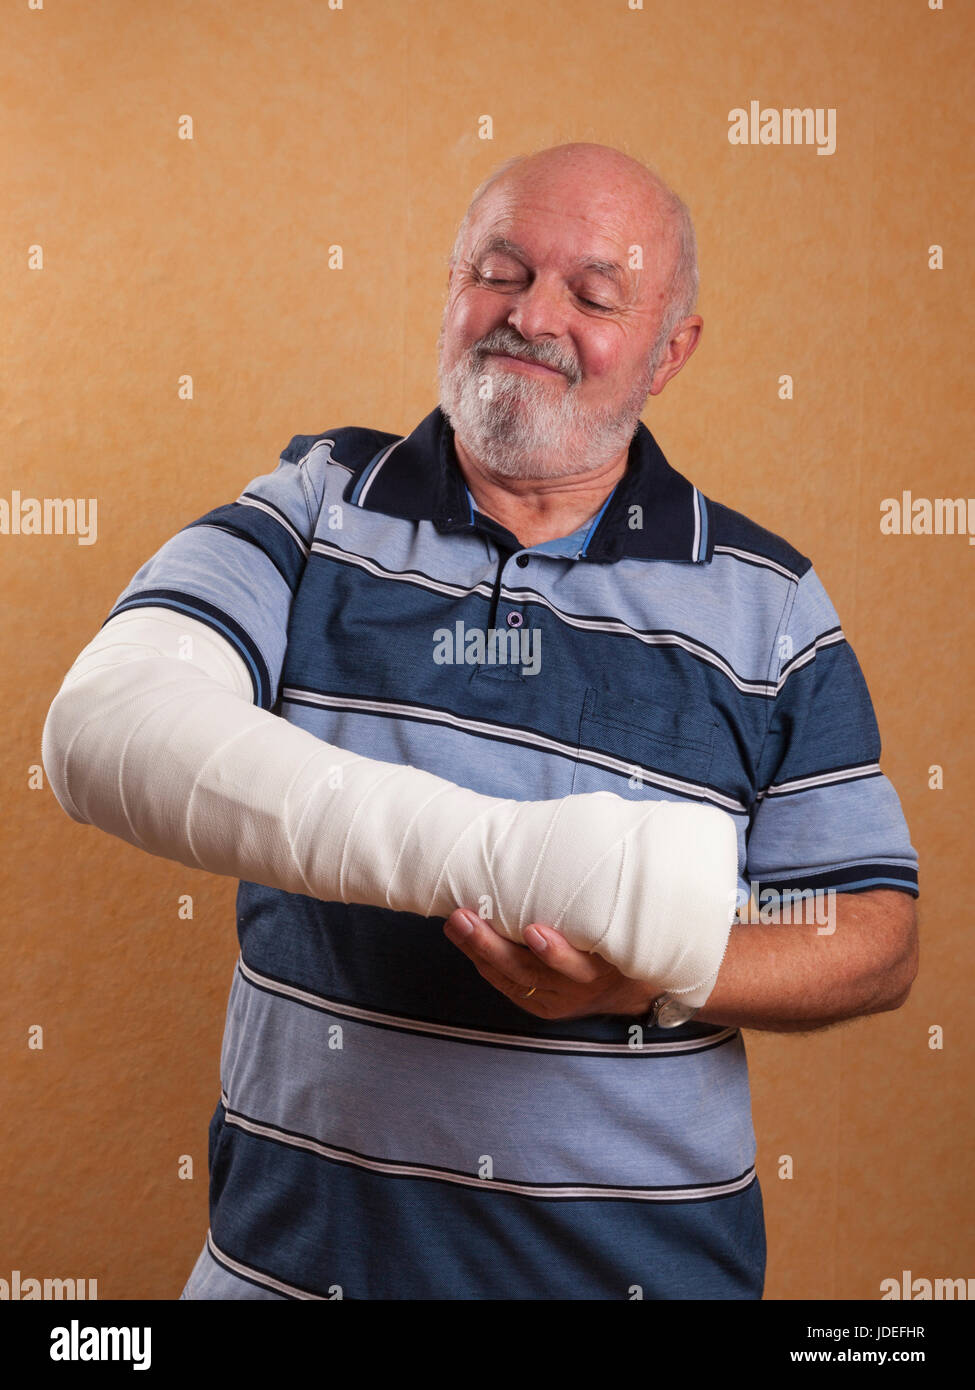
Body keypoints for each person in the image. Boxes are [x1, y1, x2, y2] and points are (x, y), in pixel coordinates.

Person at [41, 142, 919, 1301]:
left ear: (672, 347)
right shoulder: (314, 507)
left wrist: (654, 969)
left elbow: (870, 931)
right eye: (497, 272)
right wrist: (515, 863)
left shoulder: (769, 605)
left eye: (594, 295)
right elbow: (107, 725)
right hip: (288, 1275)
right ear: (451, 288)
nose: (530, 317)